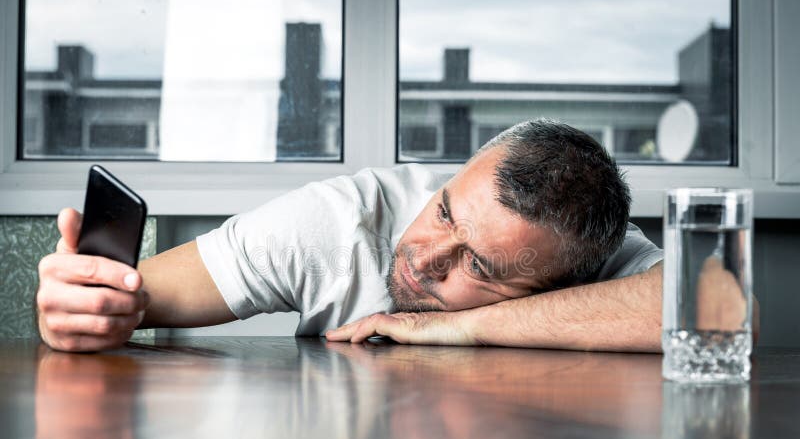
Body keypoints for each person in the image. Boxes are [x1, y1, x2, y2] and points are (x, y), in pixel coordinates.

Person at [36, 119, 665, 353]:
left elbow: (718, 310)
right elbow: (134, 297)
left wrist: (458, 325)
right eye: (444, 212)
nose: (426, 259)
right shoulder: (335, 223)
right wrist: (83, 304)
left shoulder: (604, 254)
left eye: (479, 265)